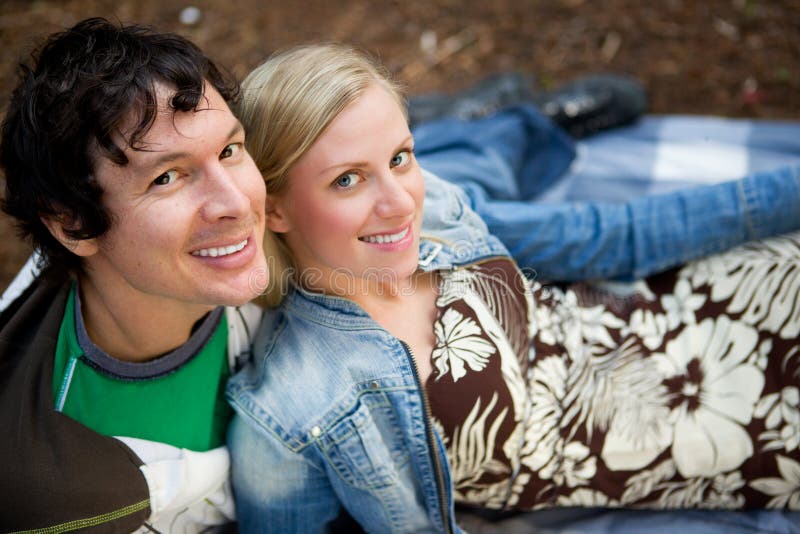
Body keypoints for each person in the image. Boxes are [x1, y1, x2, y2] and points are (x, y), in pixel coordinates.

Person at [226, 43, 800, 532]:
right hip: (716, 425)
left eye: (401, 157)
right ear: (272, 208)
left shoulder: (438, 205)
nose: (402, 204)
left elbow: (606, 236)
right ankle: (497, 126)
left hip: (692, 308)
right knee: (482, 166)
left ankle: (504, 125)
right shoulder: (292, 417)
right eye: (346, 179)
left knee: (476, 173)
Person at [0, 18, 268, 532]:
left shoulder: (265, 239)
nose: (237, 204)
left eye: (229, 151)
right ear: (73, 225)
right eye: (168, 177)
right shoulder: (61, 498)